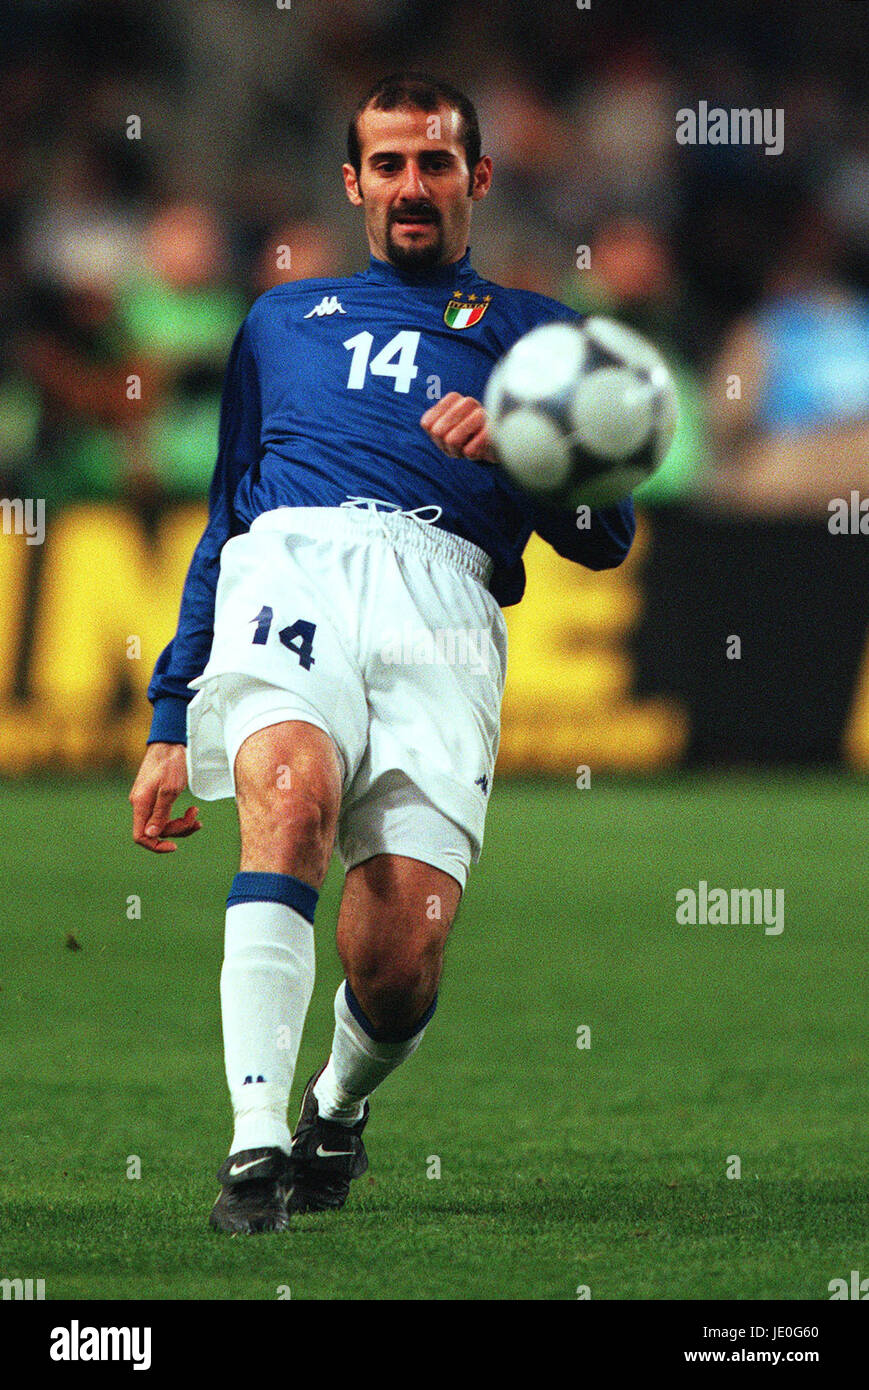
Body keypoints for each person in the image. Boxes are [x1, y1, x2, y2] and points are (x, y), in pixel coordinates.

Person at [129, 73, 636, 1234]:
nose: (414, 185)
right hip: (294, 569)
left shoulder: (539, 334)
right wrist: (169, 717)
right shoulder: (278, 321)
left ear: (477, 179)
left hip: (444, 602)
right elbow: (226, 518)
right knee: (288, 797)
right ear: (353, 181)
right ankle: (254, 1143)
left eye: (437, 163)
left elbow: (604, 536)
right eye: (391, 164)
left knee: (399, 956)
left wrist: (515, 452)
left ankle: (334, 1107)